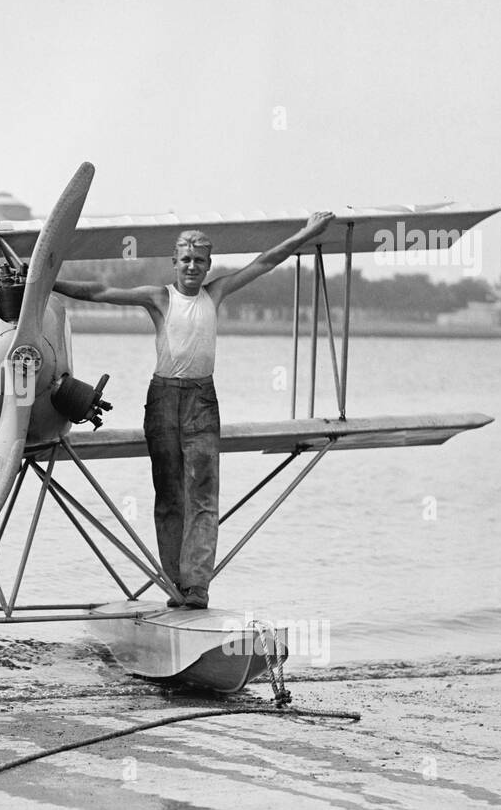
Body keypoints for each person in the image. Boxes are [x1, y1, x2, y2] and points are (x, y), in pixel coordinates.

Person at [53, 211, 335, 608]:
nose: (191, 266)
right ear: (174, 263)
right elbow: (99, 291)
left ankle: (197, 587)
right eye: (185, 259)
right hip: (164, 400)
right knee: (169, 496)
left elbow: (265, 261)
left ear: (208, 266)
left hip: (203, 401)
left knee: (203, 495)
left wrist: (307, 233)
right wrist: (47, 281)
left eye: (199, 260)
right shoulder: (158, 297)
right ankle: (175, 585)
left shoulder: (215, 293)